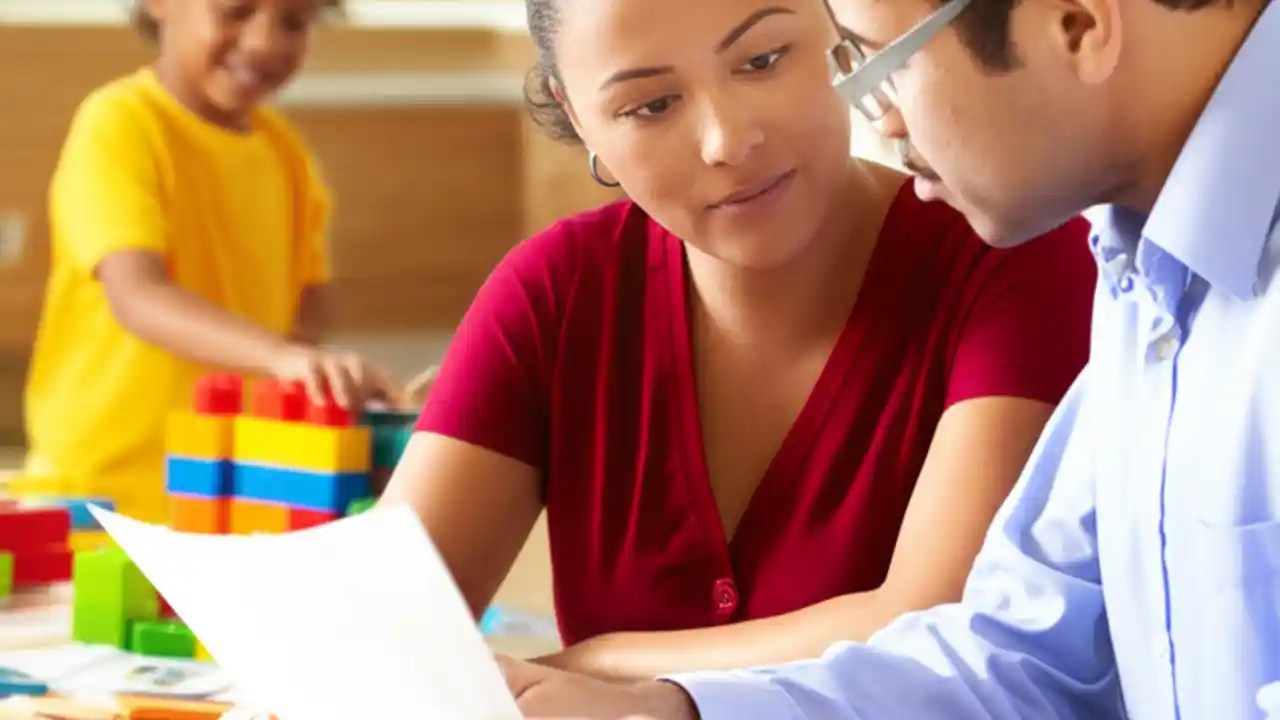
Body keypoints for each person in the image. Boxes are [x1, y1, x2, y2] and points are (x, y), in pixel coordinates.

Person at [498, 0, 1280, 716]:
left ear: (1076, 25)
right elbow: (1022, 655)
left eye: (882, 62)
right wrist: (666, 709)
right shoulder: (1147, 273)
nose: (888, 121)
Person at [379, 0, 1095, 682]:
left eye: (763, 60)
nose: (729, 140)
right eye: (652, 105)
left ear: (835, 31)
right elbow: (375, 636)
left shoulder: (1013, 257)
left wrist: (595, 667)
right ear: (580, 120)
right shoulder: (554, 294)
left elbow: (936, 625)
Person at [22, 0, 399, 522]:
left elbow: (306, 317)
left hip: (228, 487)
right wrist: (282, 356)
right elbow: (137, 296)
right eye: (235, 11)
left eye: (294, 22)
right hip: (100, 490)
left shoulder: (287, 156)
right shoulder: (121, 123)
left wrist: (348, 392)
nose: (264, 42)